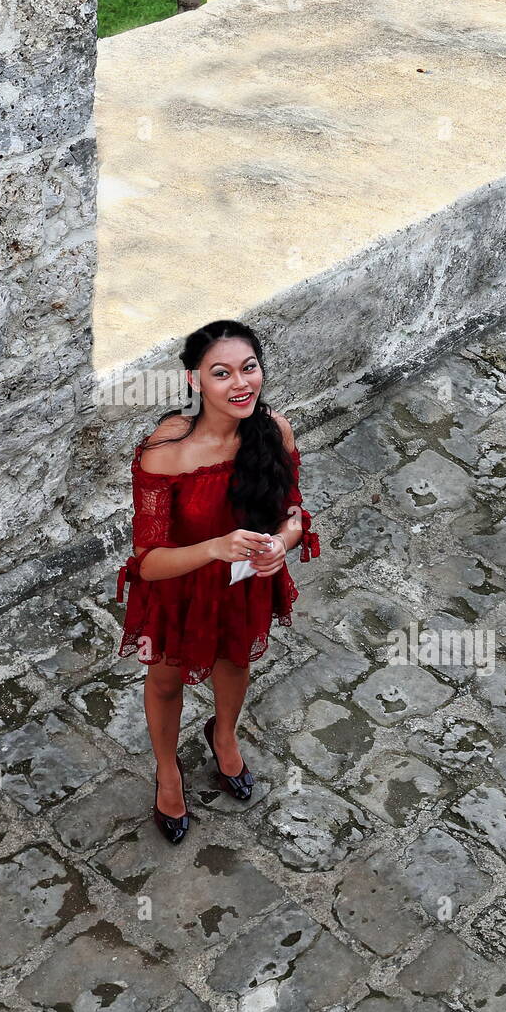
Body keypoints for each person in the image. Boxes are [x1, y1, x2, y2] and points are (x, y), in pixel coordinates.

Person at [115, 319, 320, 845]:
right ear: (194, 382)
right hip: (177, 589)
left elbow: (293, 510)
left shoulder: (275, 430)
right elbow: (147, 561)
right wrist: (213, 548)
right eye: (221, 373)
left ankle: (223, 734)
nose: (240, 384)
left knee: (235, 663)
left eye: (248, 368)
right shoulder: (166, 451)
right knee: (164, 682)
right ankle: (167, 772)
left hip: (241, 583)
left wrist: (283, 541)